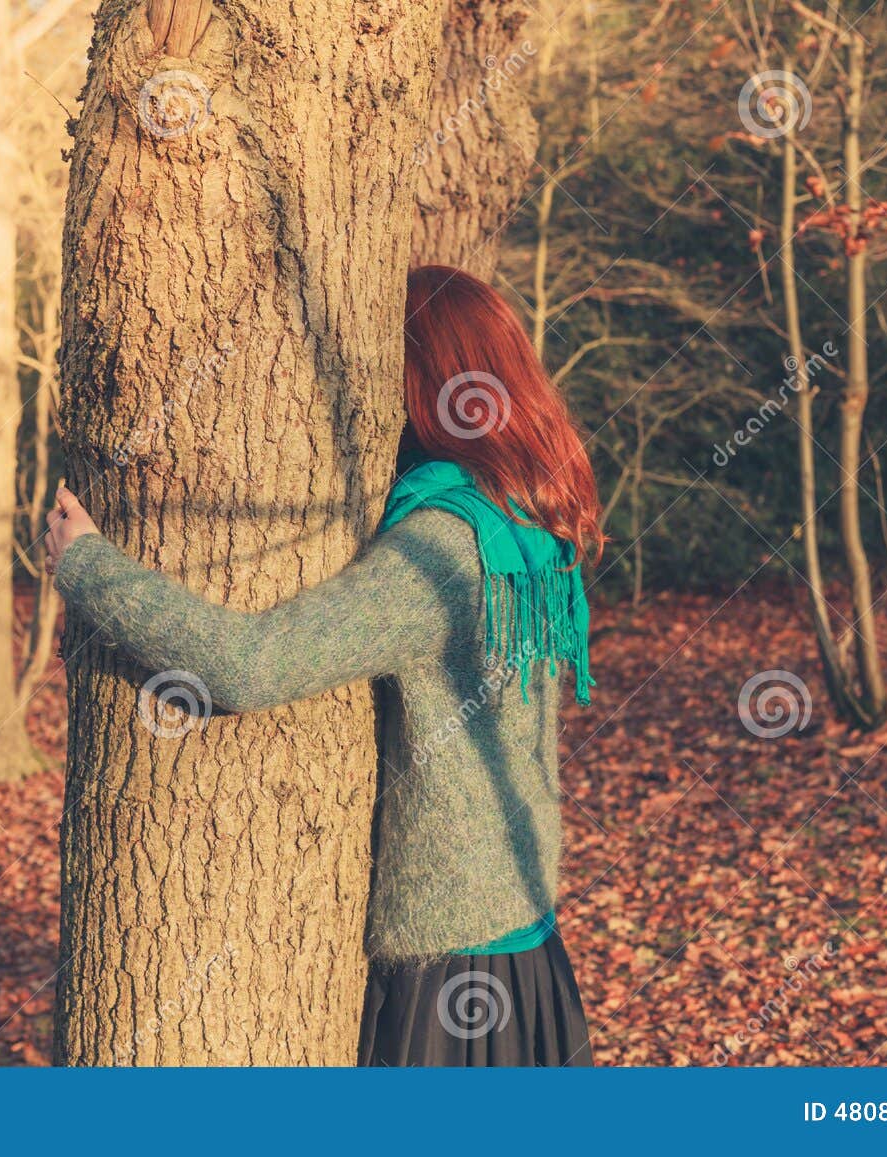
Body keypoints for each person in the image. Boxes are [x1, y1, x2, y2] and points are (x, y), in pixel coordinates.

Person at [43, 265, 604, 1066]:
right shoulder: (526, 522)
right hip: (527, 950)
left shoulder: (443, 547)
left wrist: (91, 565)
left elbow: (250, 664)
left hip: (452, 982)